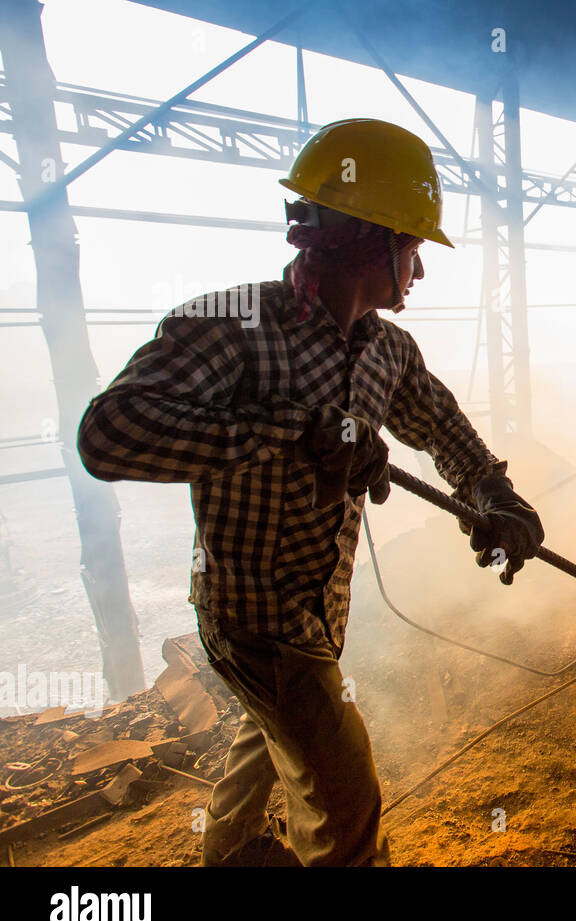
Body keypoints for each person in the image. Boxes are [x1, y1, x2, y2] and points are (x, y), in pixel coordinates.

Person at [76, 118, 545, 866]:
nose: (418, 273)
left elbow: (440, 426)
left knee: (273, 734)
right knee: (346, 804)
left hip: (317, 609)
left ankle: (225, 854)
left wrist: (496, 494)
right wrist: (293, 431)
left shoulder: (386, 349)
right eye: (413, 249)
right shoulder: (228, 326)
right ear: (369, 242)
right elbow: (108, 434)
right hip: (252, 617)